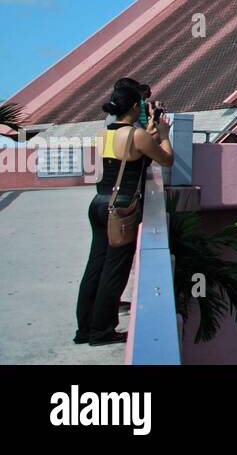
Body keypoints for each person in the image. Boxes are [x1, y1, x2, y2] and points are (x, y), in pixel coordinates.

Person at [74, 78, 174, 345]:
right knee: (114, 271)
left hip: (98, 203)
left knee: (95, 266)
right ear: (134, 106)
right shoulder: (137, 135)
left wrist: (150, 133)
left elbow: (127, 150)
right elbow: (166, 158)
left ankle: (84, 329)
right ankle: (102, 331)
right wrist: (163, 135)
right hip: (121, 210)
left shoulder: (104, 133)